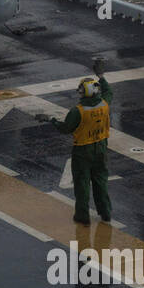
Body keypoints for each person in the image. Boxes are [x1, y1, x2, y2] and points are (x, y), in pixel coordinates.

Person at [38, 57, 112, 224]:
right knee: (101, 181)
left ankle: (82, 216)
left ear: (82, 92)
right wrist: (101, 75)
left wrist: (50, 119)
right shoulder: (104, 104)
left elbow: (65, 128)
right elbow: (109, 91)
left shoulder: (77, 111)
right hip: (101, 147)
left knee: (82, 183)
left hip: (83, 150)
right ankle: (105, 212)